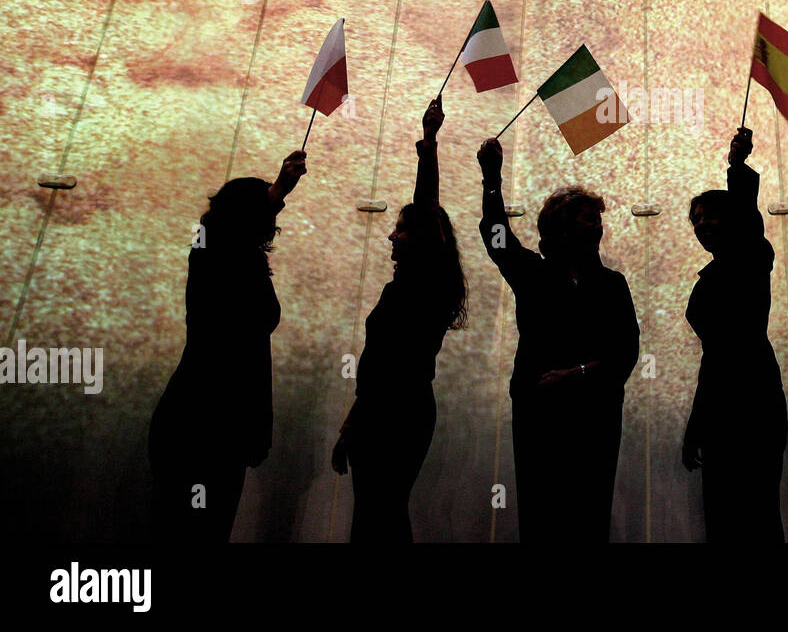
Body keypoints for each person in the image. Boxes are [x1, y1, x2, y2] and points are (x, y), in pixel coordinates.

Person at [476, 137, 639, 542]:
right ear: (562, 226)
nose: (598, 225)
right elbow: (497, 239)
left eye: (597, 219)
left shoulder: (612, 284)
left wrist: (577, 374)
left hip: (595, 418)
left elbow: (626, 352)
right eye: (588, 218)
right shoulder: (533, 273)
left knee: (589, 515)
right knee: (542, 515)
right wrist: (492, 179)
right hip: (541, 417)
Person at [148, 148, 307, 542]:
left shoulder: (245, 261)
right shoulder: (211, 251)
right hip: (200, 427)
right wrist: (279, 190)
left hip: (219, 430)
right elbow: (227, 236)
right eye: (262, 205)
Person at [331, 95, 467, 542]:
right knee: (373, 512)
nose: (392, 233)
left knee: (381, 512)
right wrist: (354, 420)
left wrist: (430, 142)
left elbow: (426, 207)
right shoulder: (402, 288)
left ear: (425, 239)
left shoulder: (427, 289)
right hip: (377, 412)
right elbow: (376, 361)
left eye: (401, 228)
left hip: (400, 414)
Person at [681, 126, 787, 542]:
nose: (701, 224)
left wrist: (737, 167)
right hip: (724, 405)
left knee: (756, 516)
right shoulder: (712, 277)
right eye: (696, 220)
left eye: (709, 214)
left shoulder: (751, 257)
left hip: (754, 403)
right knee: (724, 519)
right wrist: (697, 424)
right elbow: (713, 359)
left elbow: (747, 224)